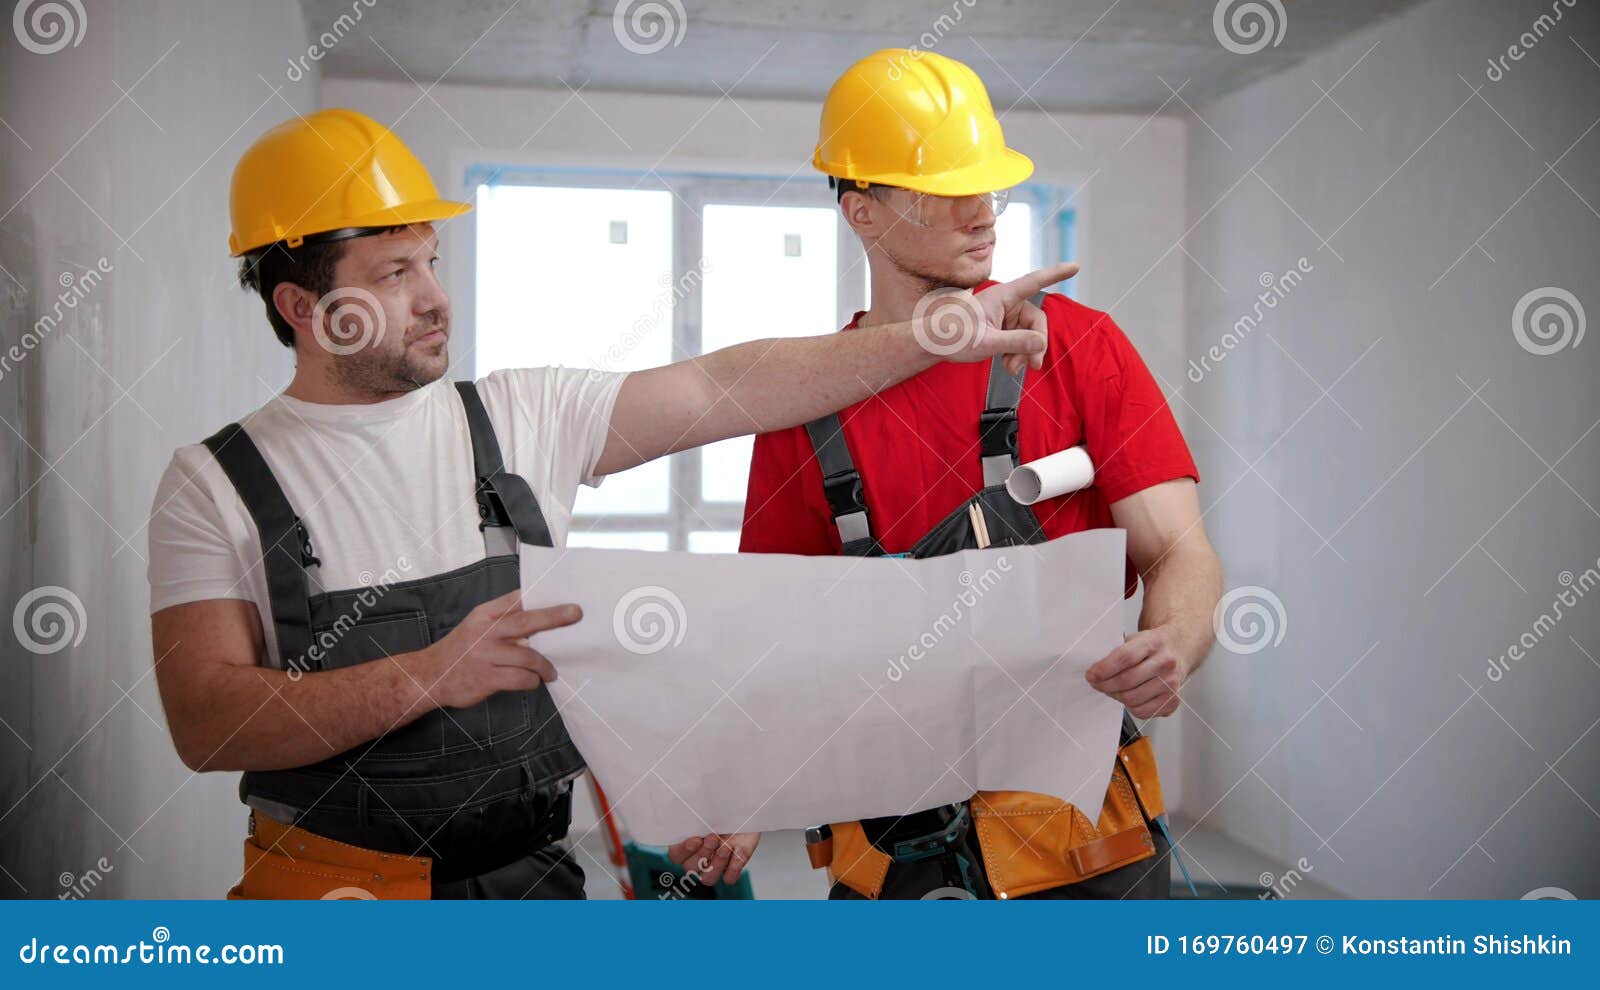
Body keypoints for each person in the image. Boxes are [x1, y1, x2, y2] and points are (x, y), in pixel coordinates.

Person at [145, 107, 1074, 899]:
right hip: (332, 894)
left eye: (431, 262)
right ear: (304, 306)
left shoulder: (516, 416)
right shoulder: (216, 482)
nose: (436, 299)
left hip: (539, 882)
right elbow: (207, 721)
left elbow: (728, 386)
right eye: (395, 274)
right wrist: (432, 673)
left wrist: (936, 332)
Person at [670, 50, 1223, 899]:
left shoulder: (1077, 346)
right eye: (941, 190)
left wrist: (1172, 646)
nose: (981, 213)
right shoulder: (801, 405)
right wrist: (745, 784)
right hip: (897, 855)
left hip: (1083, 846)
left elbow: (1178, 551)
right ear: (863, 213)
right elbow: (775, 641)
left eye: (987, 184)